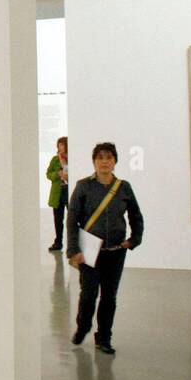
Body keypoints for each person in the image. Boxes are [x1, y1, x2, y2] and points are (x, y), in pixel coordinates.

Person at [66, 142, 143, 354]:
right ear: (94, 161)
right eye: (100, 157)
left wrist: (133, 240)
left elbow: (136, 216)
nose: (104, 162)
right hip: (89, 251)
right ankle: (83, 327)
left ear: (115, 161)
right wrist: (74, 250)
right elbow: (72, 220)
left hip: (116, 252)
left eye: (109, 157)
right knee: (89, 294)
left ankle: (104, 338)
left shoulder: (124, 187)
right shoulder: (83, 186)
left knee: (109, 297)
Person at [46, 136, 69, 252]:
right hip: (57, 192)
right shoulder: (55, 159)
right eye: (59, 145)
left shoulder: (72, 158)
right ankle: (58, 242)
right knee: (58, 218)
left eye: (62, 144)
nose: (60, 147)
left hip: (69, 191)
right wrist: (57, 174)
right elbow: (48, 174)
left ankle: (73, 243)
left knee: (72, 218)